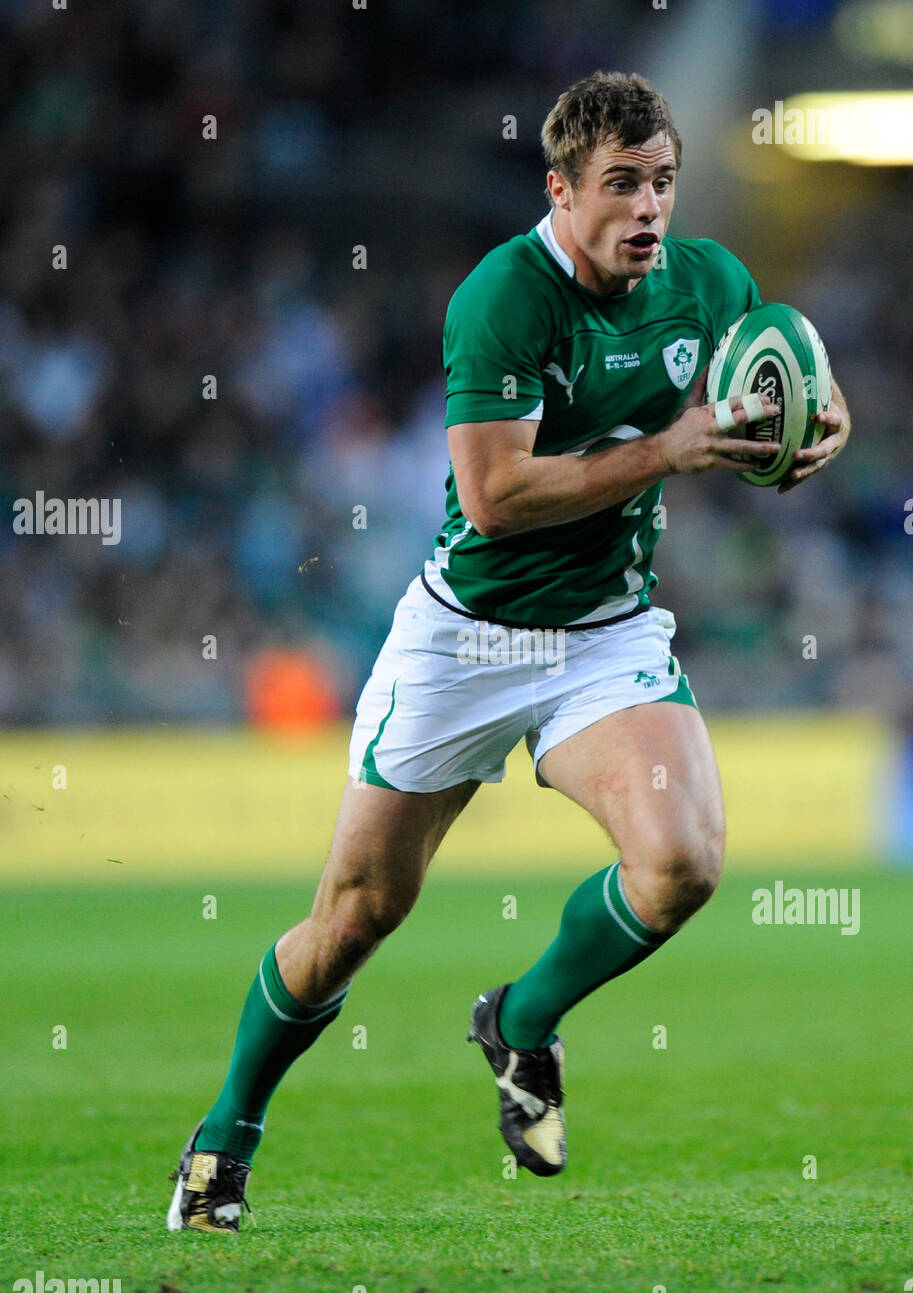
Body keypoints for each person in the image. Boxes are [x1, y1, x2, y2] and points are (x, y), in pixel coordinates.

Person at [168, 70, 850, 1232]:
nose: (648, 210)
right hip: (466, 640)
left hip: (604, 636)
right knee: (354, 917)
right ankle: (224, 1138)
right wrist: (671, 451)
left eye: (664, 184)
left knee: (680, 861)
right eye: (621, 186)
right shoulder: (502, 296)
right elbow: (491, 497)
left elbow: (790, 395)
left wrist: (819, 426)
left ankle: (521, 1021)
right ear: (560, 189)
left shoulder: (709, 284)